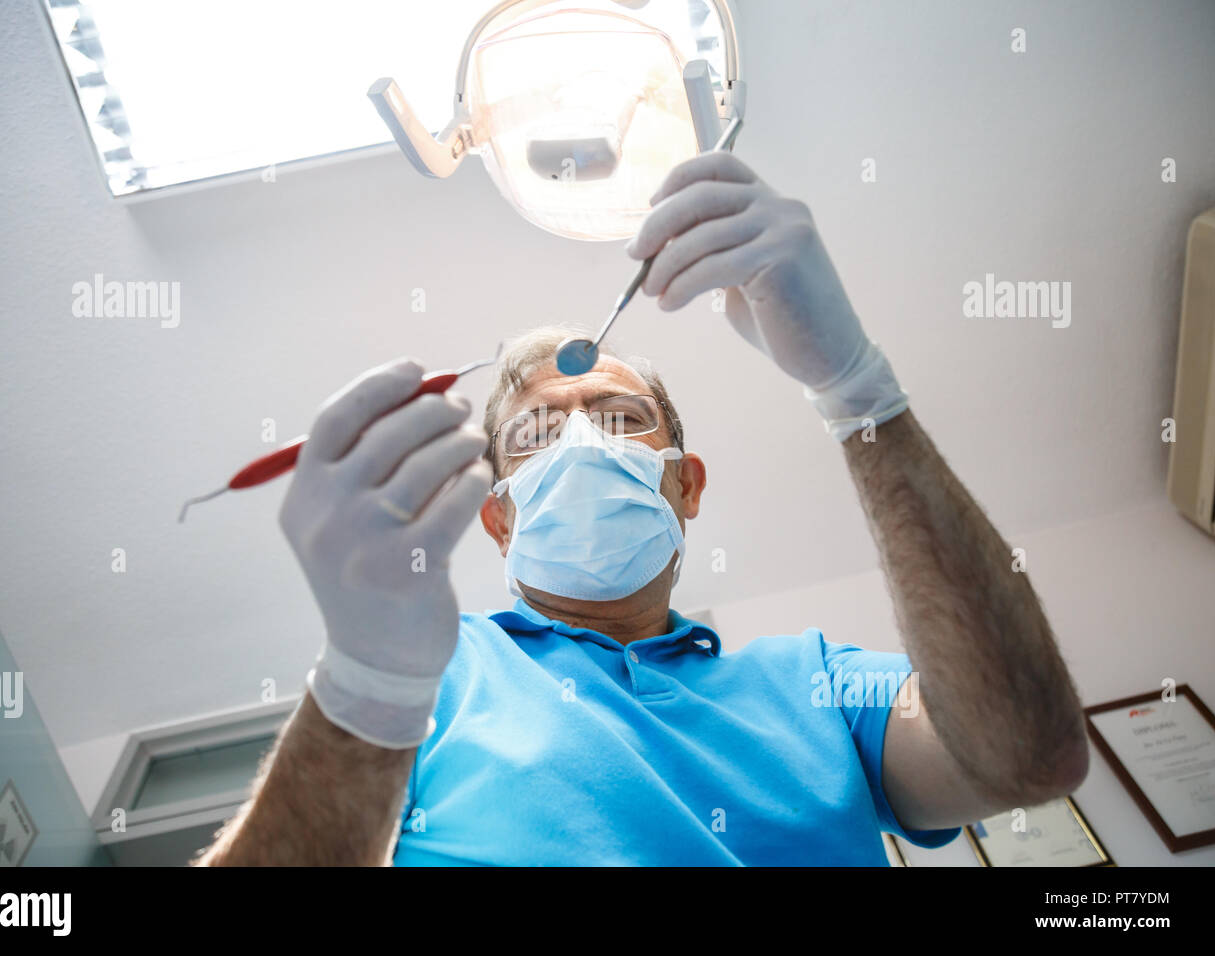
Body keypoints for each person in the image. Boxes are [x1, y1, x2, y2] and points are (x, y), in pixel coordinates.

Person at [196, 150, 1088, 866]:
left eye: (621, 421)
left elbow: (1029, 757)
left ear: (686, 485)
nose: (583, 444)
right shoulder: (435, 678)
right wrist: (368, 682)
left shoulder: (813, 685)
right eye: (538, 433)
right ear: (497, 516)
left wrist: (861, 395)